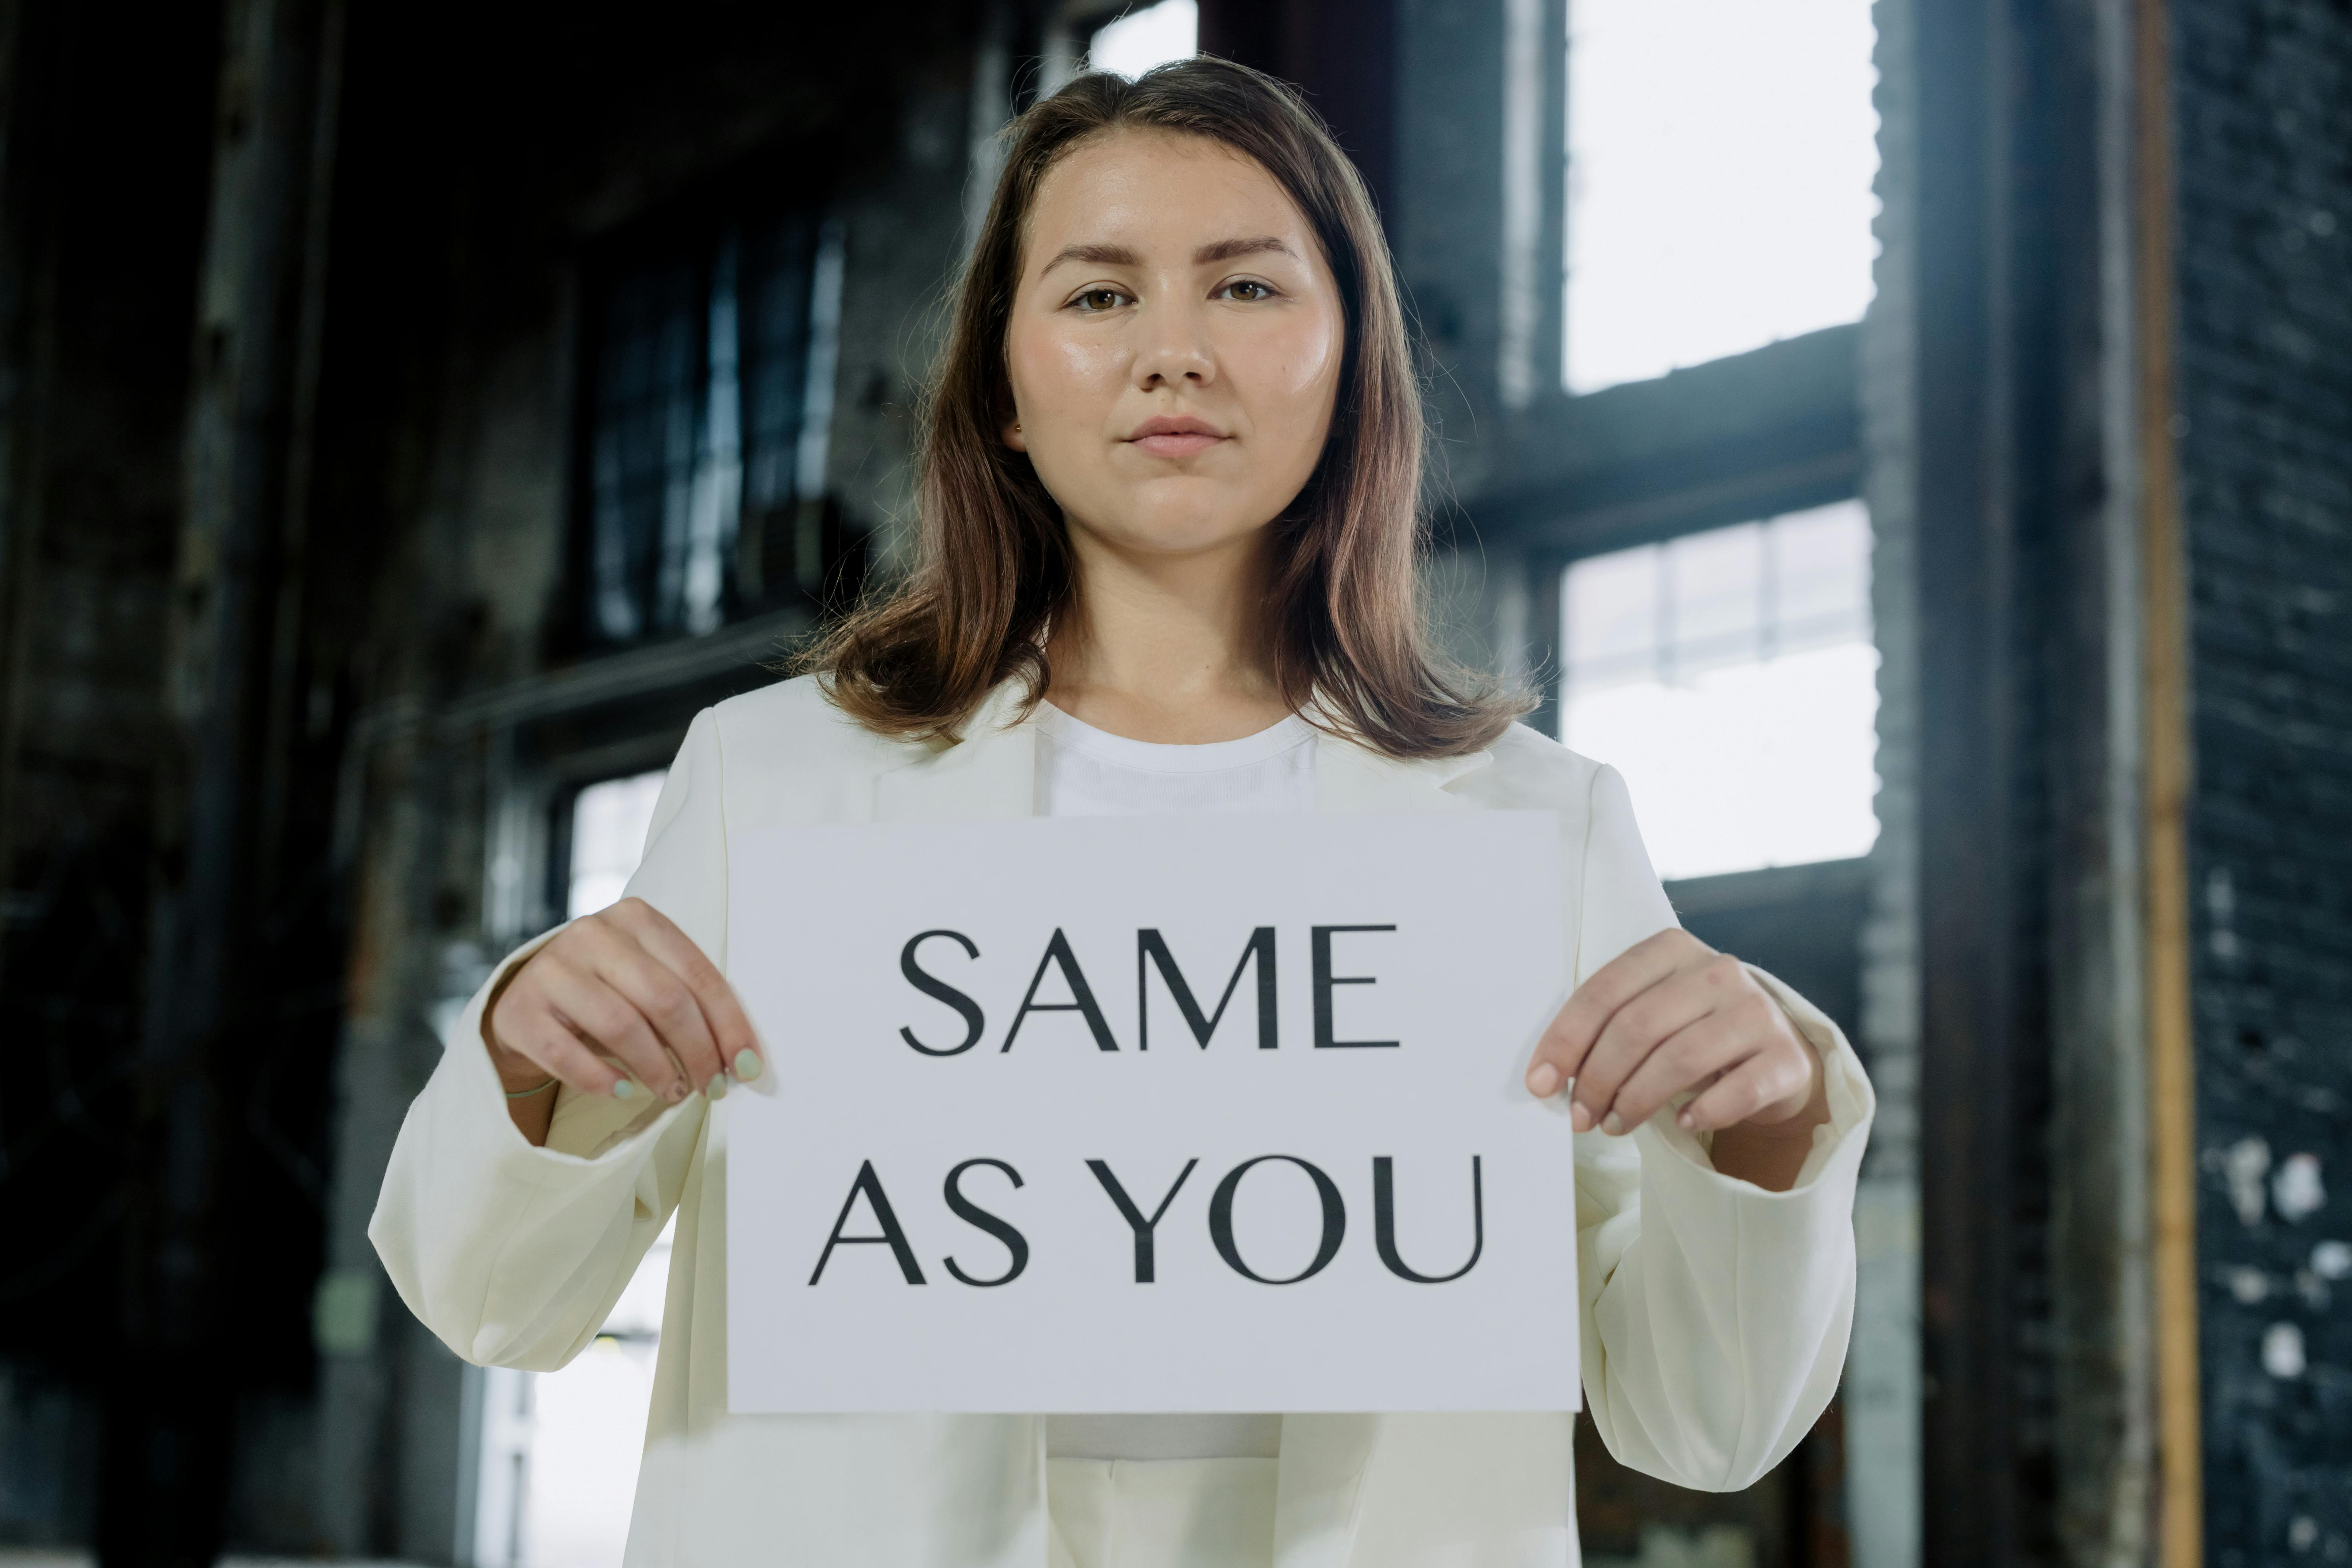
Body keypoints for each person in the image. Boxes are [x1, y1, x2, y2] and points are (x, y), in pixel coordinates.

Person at [372, 57, 1873, 1568]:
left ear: (1352, 365)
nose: (1173, 354)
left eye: (1245, 290)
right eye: (1099, 298)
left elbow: (1706, 1423)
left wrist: (1761, 1128)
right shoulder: (773, 784)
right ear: (1005, 393)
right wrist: (527, 1054)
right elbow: (492, 1296)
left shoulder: (1539, 828)